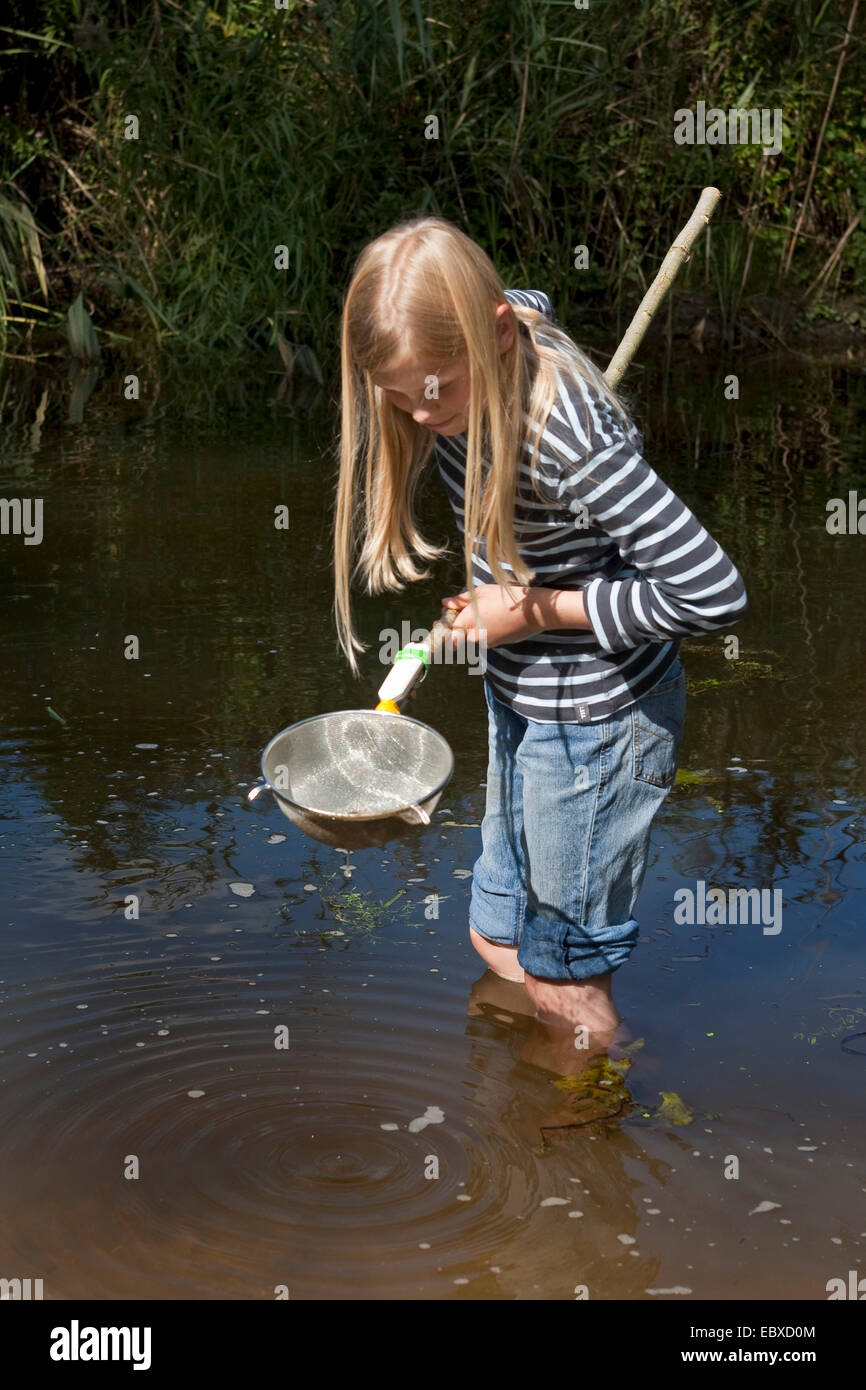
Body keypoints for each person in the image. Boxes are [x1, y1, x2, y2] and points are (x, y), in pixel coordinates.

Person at [333, 216, 748, 1056]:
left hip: (600, 722)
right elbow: (529, 300)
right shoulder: (489, 336)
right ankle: (531, 1096)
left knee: (564, 973)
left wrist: (531, 610)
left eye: (437, 389)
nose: (421, 412)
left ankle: (593, 1140)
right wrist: (494, 603)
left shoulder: (567, 439)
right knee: (497, 935)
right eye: (400, 395)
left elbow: (713, 590)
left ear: (493, 336)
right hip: (521, 700)